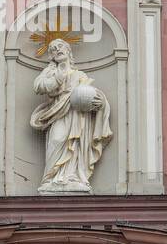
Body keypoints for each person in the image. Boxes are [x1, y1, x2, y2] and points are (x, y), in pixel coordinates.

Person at [30, 38, 111, 193]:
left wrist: (100, 103)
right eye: (53, 49)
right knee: (57, 140)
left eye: (60, 47)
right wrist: (57, 77)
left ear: (68, 51)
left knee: (77, 146)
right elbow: (38, 86)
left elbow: (89, 96)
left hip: (77, 116)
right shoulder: (50, 72)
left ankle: (73, 176)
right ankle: (51, 179)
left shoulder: (79, 75)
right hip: (58, 114)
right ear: (51, 56)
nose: (57, 50)